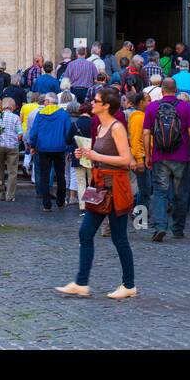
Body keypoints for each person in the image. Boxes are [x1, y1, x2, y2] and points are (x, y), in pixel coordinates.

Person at [57, 88, 136, 299]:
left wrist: (95, 154)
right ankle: (81, 283)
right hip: (100, 187)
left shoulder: (117, 127)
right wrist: (86, 155)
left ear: (106, 105)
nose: (92, 103)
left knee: (120, 239)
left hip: (115, 188)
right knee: (85, 233)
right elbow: (100, 157)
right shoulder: (100, 126)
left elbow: (126, 160)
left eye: (96, 100)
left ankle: (129, 285)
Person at [143, 76, 190, 243]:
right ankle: (177, 228)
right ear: (176, 91)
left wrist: (148, 155)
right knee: (180, 193)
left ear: (162, 91)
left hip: (159, 156)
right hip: (181, 156)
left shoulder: (152, 107)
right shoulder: (185, 107)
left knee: (160, 193)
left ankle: (160, 226)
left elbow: (146, 134)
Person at [28, 92, 73, 211]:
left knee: (44, 175)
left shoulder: (40, 114)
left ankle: (46, 203)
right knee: (60, 175)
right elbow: (68, 132)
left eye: (45, 101)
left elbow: (34, 132)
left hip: (43, 148)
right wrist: (68, 148)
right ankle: (61, 201)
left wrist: (32, 145)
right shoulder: (63, 115)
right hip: (59, 147)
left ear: (48, 102)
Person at [126, 89, 150, 212]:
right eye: (148, 100)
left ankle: (135, 209)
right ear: (141, 102)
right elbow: (135, 140)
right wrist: (140, 159)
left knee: (146, 188)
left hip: (145, 156)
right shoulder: (138, 118)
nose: (150, 102)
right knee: (144, 188)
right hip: (141, 156)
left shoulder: (142, 116)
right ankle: (139, 215)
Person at [0, 97, 22, 202]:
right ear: (13, 107)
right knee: (12, 172)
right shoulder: (16, 118)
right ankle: (10, 195)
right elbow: (20, 134)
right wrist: (16, 140)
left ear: (2, 106)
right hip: (12, 147)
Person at [69, 100, 93, 211]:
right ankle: (91, 205)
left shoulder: (74, 124)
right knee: (91, 181)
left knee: (81, 182)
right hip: (91, 156)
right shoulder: (94, 123)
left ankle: (82, 207)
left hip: (77, 155)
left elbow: (68, 140)